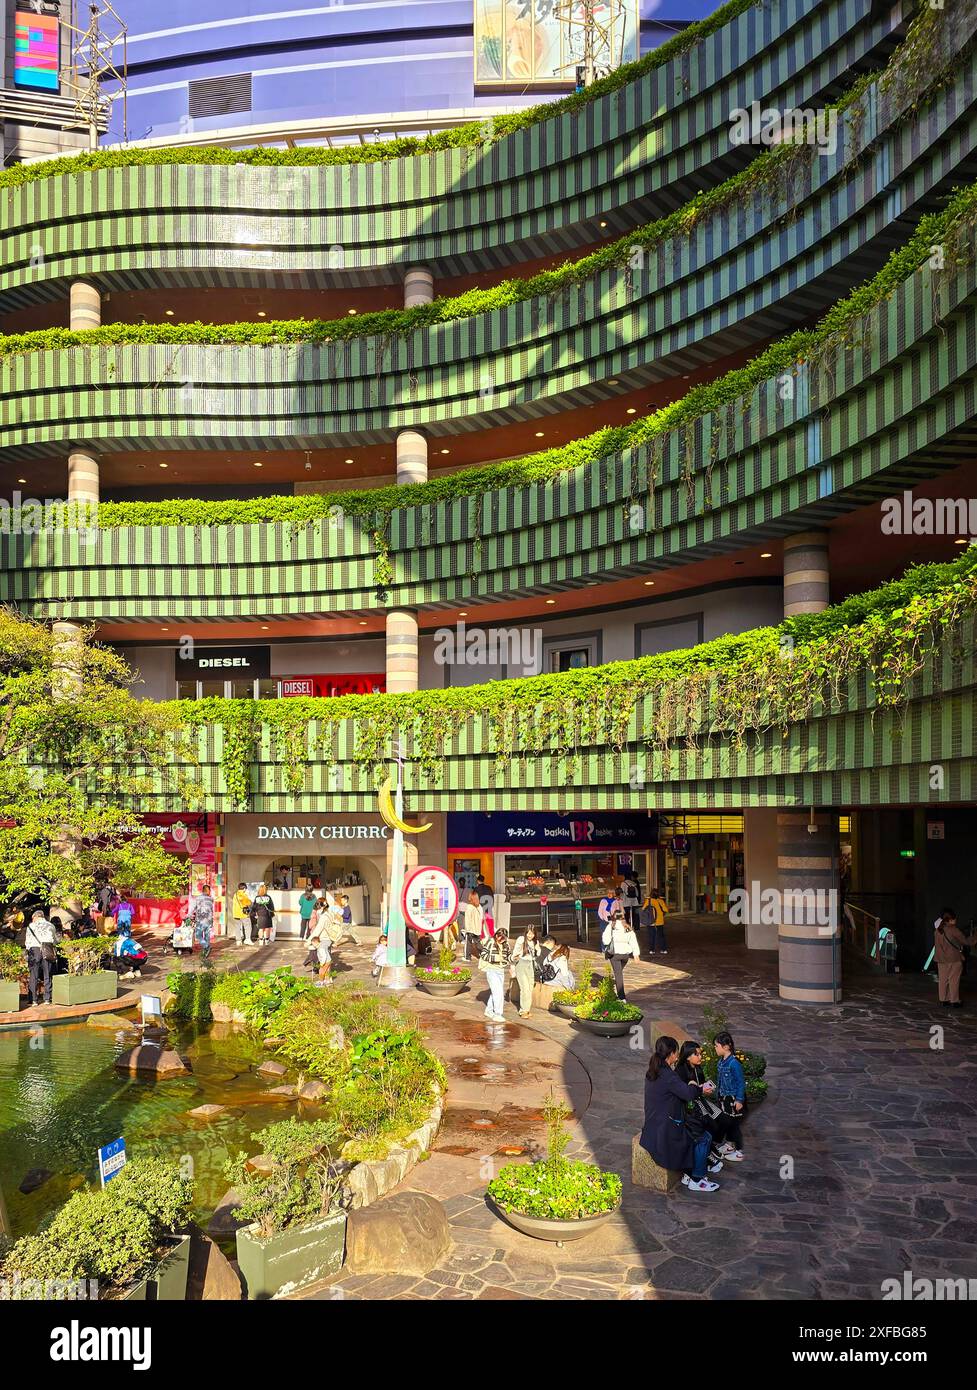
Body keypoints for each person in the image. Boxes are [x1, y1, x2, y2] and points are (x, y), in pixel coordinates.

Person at [640, 1035, 721, 1193]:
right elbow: (688, 1094)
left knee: (697, 1131)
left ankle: (690, 1173)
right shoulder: (668, 1075)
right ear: (671, 1054)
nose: (677, 1056)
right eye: (676, 1052)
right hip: (665, 1130)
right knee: (703, 1137)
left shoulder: (653, 1070)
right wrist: (699, 1088)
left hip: (654, 1125)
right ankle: (696, 1179)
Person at [676, 1039, 737, 1168]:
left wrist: (704, 1088)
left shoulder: (697, 1068)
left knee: (723, 1119)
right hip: (691, 1105)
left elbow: (699, 1087)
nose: (700, 1057)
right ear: (687, 1057)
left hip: (700, 1099)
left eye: (700, 1054)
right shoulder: (681, 1071)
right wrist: (699, 1089)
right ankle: (709, 1150)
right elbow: (685, 1093)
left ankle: (712, 1145)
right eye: (696, 1055)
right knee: (709, 1123)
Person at [714, 1031, 747, 1161]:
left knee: (734, 1125)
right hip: (724, 1098)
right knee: (727, 1123)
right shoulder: (721, 1062)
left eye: (717, 1046)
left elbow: (740, 1083)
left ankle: (740, 1151)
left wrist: (739, 1100)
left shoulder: (734, 1063)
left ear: (726, 1046)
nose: (715, 1048)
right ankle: (729, 1145)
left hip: (732, 1099)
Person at [934, 907, 973, 1006]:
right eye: (955, 918)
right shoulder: (953, 930)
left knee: (943, 979)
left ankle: (943, 999)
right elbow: (966, 942)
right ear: (951, 919)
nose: (956, 920)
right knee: (953, 980)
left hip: (941, 959)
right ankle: (954, 1000)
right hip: (953, 959)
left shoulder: (937, 930)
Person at [601, 908, 640, 999]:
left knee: (618, 975)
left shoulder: (611, 926)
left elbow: (606, 941)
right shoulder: (627, 927)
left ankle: (622, 997)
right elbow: (633, 940)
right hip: (625, 955)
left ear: (613, 917)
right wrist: (636, 954)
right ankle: (614, 983)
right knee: (618, 972)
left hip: (614, 954)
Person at [25, 909, 60, 1007]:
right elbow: (55, 940)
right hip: (47, 949)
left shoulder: (30, 926)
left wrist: (28, 951)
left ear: (35, 917)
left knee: (34, 975)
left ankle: (33, 1000)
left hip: (34, 950)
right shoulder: (50, 925)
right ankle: (47, 999)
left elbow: (27, 942)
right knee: (47, 974)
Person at [478, 923, 512, 1022]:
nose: (500, 939)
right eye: (499, 936)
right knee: (499, 992)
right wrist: (496, 959)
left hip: (501, 970)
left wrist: (513, 958)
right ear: (496, 935)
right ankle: (498, 1014)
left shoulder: (506, 945)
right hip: (491, 969)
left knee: (495, 992)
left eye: (503, 937)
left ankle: (488, 1010)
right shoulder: (490, 942)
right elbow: (483, 955)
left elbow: (508, 956)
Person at [510, 924, 543, 1018]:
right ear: (525, 933)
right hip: (521, 964)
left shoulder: (535, 941)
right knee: (524, 988)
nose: (530, 935)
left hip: (530, 965)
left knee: (529, 987)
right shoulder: (521, 939)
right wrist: (512, 964)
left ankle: (527, 1009)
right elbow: (515, 952)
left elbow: (537, 954)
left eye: (532, 934)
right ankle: (523, 1011)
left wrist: (537, 948)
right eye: (528, 933)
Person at [189, 882, 215, 960]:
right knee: (207, 937)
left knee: (198, 935)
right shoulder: (211, 899)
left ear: (203, 890)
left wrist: (189, 915)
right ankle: (206, 952)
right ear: (208, 891)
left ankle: (206, 947)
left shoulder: (198, 898)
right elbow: (211, 910)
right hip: (209, 921)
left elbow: (192, 908)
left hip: (201, 920)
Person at [306, 909, 332, 986]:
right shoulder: (319, 945)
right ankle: (326, 981)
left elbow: (323, 955)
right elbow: (314, 947)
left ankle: (322, 982)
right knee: (325, 970)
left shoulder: (321, 948)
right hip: (327, 960)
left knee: (321, 971)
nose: (313, 945)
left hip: (325, 961)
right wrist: (309, 946)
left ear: (316, 943)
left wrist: (322, 963)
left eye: (313, 944)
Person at [641, 889, 669, 954]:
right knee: (661, 935)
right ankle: (663, 949)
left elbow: (643, 909)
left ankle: (652, 950)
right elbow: (666, 910)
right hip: (660, 921)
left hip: (651, 920)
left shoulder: (648, 900)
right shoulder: (661, 901)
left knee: (651, 935)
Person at [461, 889, 484, 962]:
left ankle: (467, 957)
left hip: (470, 929)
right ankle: (484, 955)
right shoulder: (479, 906)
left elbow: (467, 919)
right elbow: (481, 917)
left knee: (468, 943)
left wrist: (466, 930)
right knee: (478, 943)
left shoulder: (469, 907)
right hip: (478, 928)